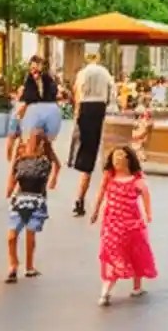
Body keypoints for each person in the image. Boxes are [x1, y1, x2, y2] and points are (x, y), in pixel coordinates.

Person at [91, 146, 157, 306]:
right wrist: (148, 215)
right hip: (131, 225)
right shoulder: (137, 180)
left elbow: (100, 193)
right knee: (136, 253)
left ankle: (106, 291)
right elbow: (146, 195)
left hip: (113, 226)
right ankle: (135, 287)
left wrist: (95, 211)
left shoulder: (110, 177)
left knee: (113, 257)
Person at [4, 127, 61, 283]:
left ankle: (29, 266)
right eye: (33, 138)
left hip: (37, 199)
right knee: (11, 235)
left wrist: (54, 178)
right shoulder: (21, 155)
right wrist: (9, 187)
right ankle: (13, 264)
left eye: (38, 139)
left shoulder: (45, 159)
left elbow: (58, 164)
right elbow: (13, 172)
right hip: (20, 198)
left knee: (30, 234)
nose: (35, 142)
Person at [70, 53, 115, 218]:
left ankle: (80, 199)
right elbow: (112, 94)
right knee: (105, 152)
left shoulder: (82, 73)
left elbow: (77, 91)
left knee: (87, 155)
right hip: (101, 107)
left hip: (85, 107)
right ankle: (109, 201)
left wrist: (77, 113)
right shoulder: (105, 72)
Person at [7, 56, 62, 160]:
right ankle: (11, 160)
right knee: (14, 133)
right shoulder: (29, 80)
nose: (34, 71)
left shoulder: (47, 79)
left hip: (39, 114)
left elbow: (53, 93)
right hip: (28, 111)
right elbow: (28, 98)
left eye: (37, 68)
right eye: (32, 68)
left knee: (44, 142)